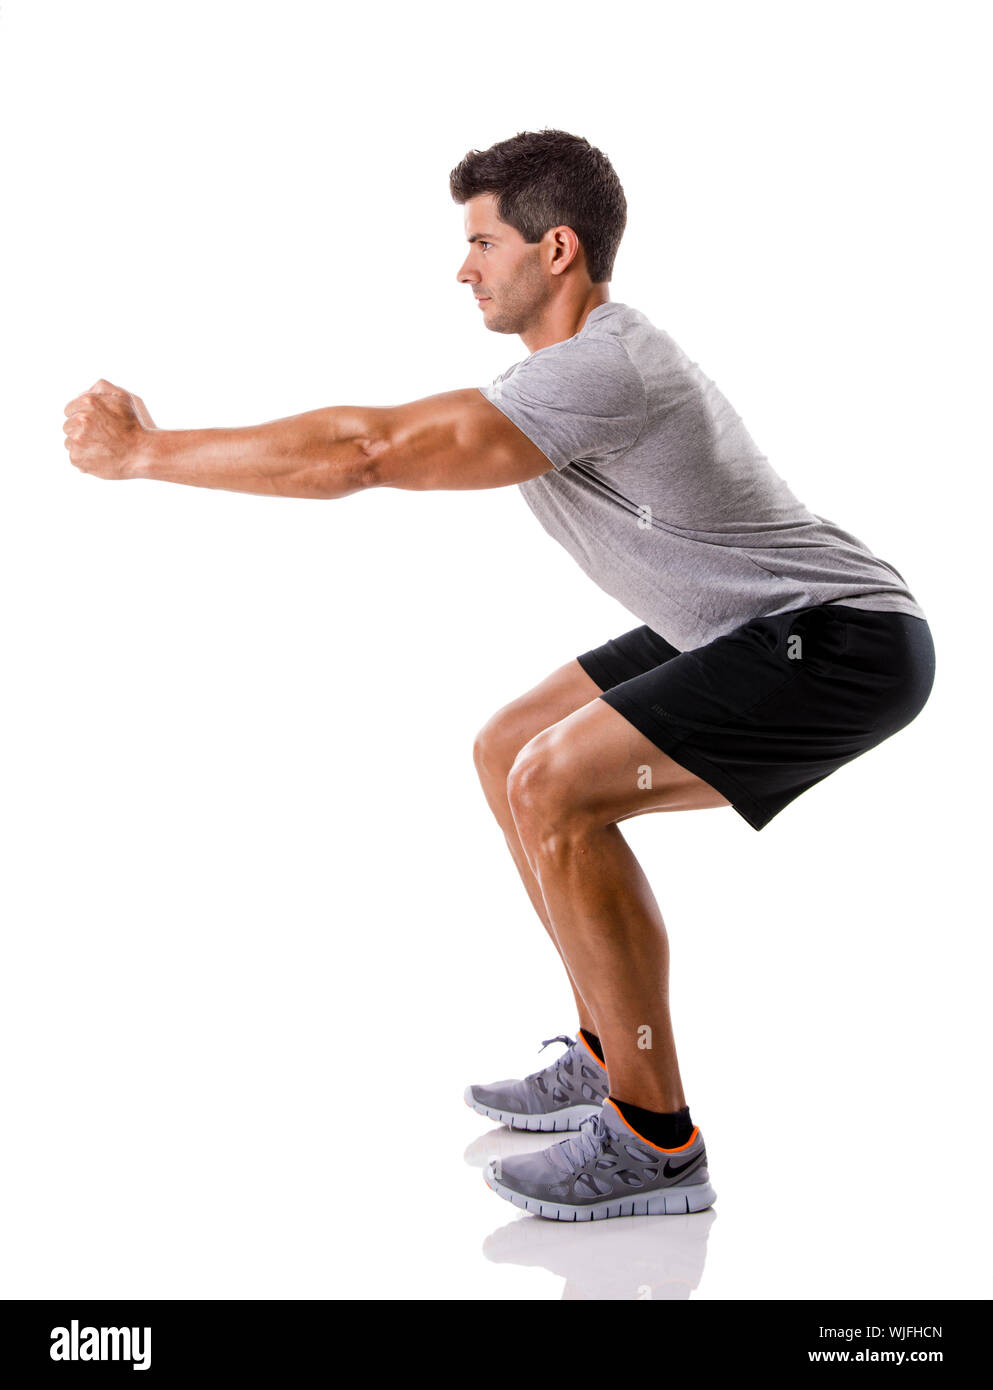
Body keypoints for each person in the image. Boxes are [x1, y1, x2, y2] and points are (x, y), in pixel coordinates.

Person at [62, 128, 935, 1222]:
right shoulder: (565, 374)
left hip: (836, 637)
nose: (463, 267)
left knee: (554, 785)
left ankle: (655, 1134)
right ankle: (613, 1045)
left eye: (482, 242)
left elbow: (364, 454)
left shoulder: (606, 368)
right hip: (733, 622)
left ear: (555, 248)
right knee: (506, 746)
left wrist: (149, 453)